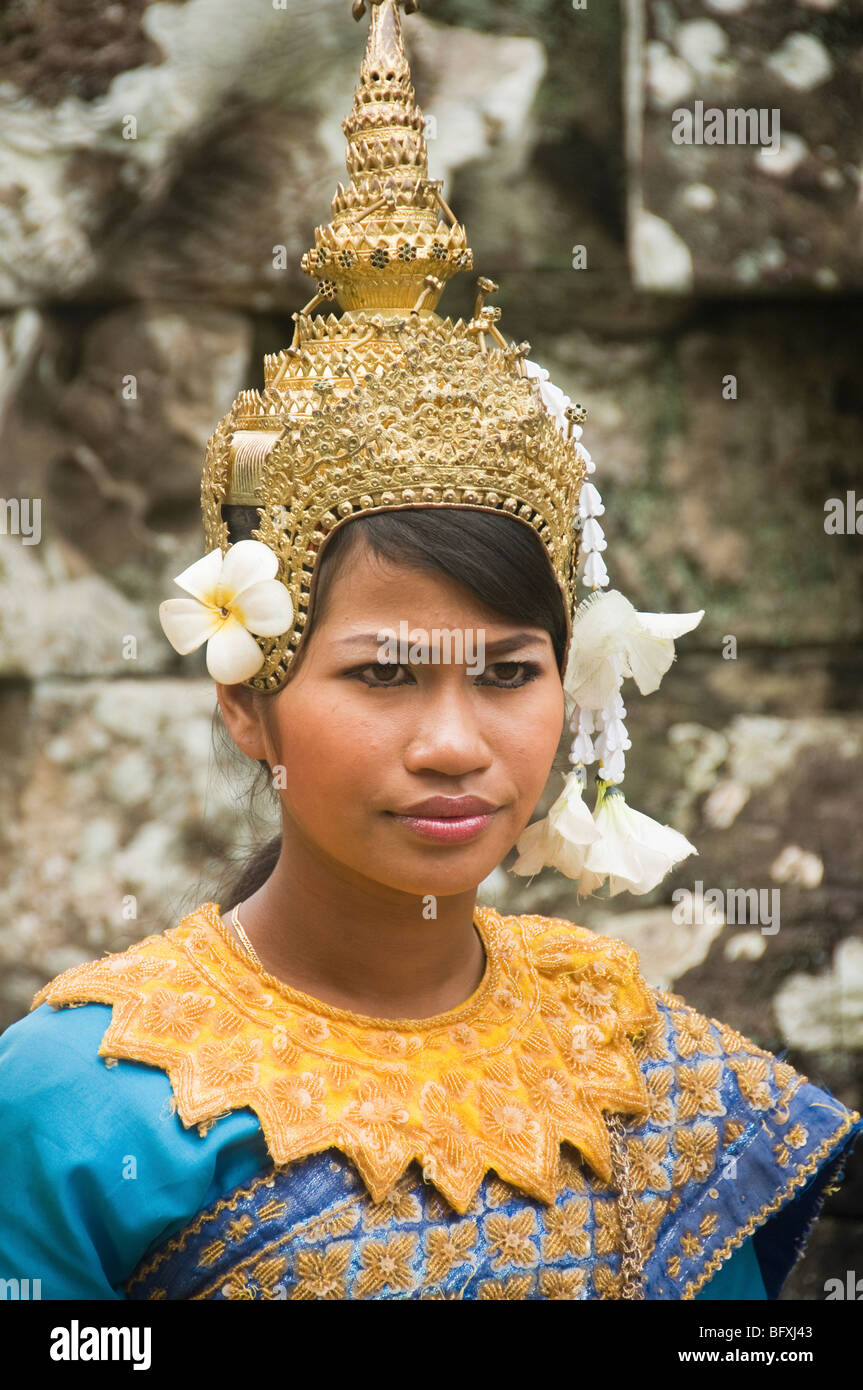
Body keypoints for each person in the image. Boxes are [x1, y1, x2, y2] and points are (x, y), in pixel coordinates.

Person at [0, 0, 859, 1302]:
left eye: (510, 672)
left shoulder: (645, 1068)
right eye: (384, 673)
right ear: (247, 698)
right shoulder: (79, 1099)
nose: (456, 743)